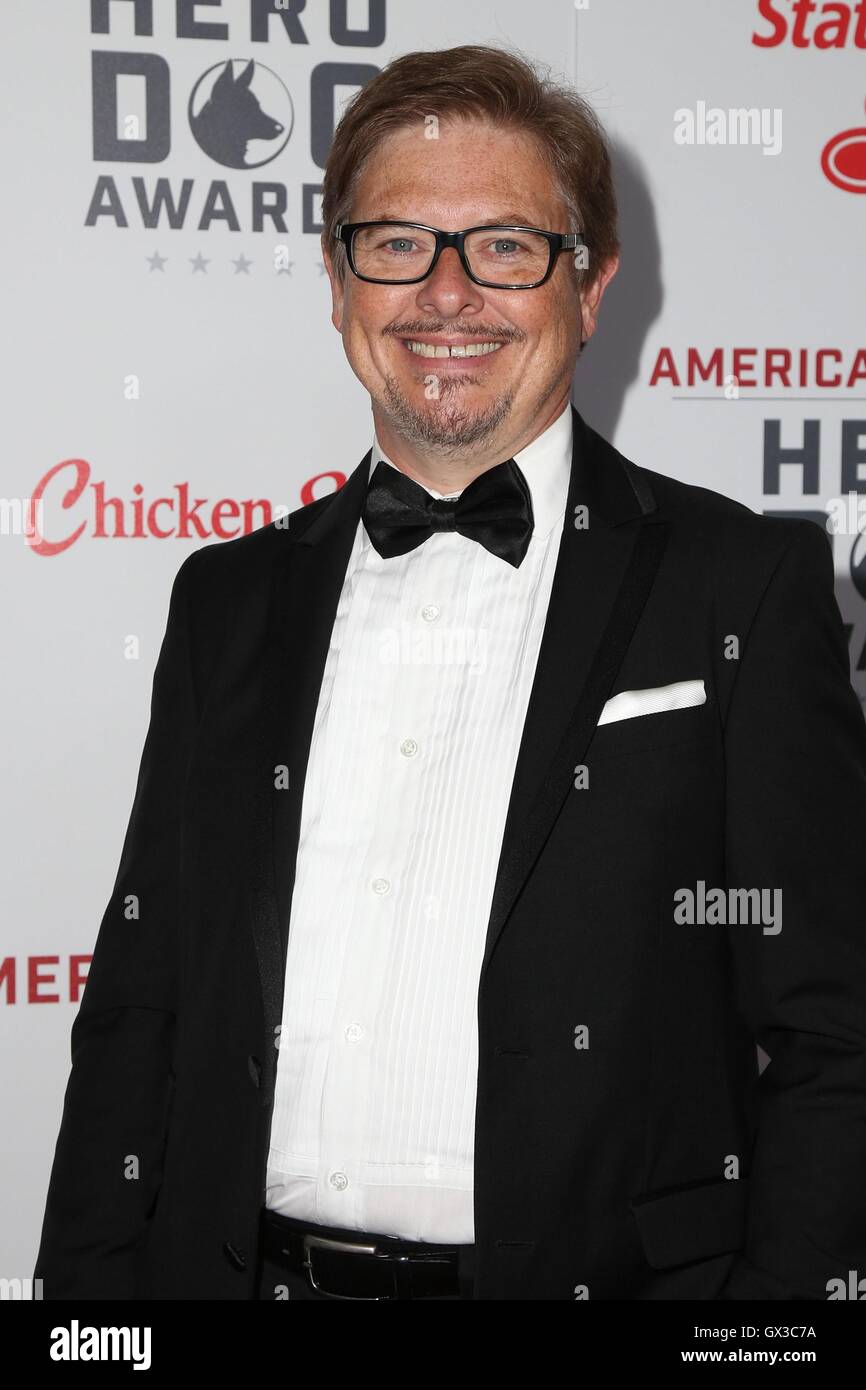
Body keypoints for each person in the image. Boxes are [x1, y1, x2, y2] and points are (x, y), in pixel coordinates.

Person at [35, 44, 866, 1301]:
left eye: (505, 246)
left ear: (589, 289)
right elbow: (141, 1004)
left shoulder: (736, 588)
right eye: (396, 243)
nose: (445, 293)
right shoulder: (227, 600)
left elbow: (832, 1028)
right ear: (335, 281)